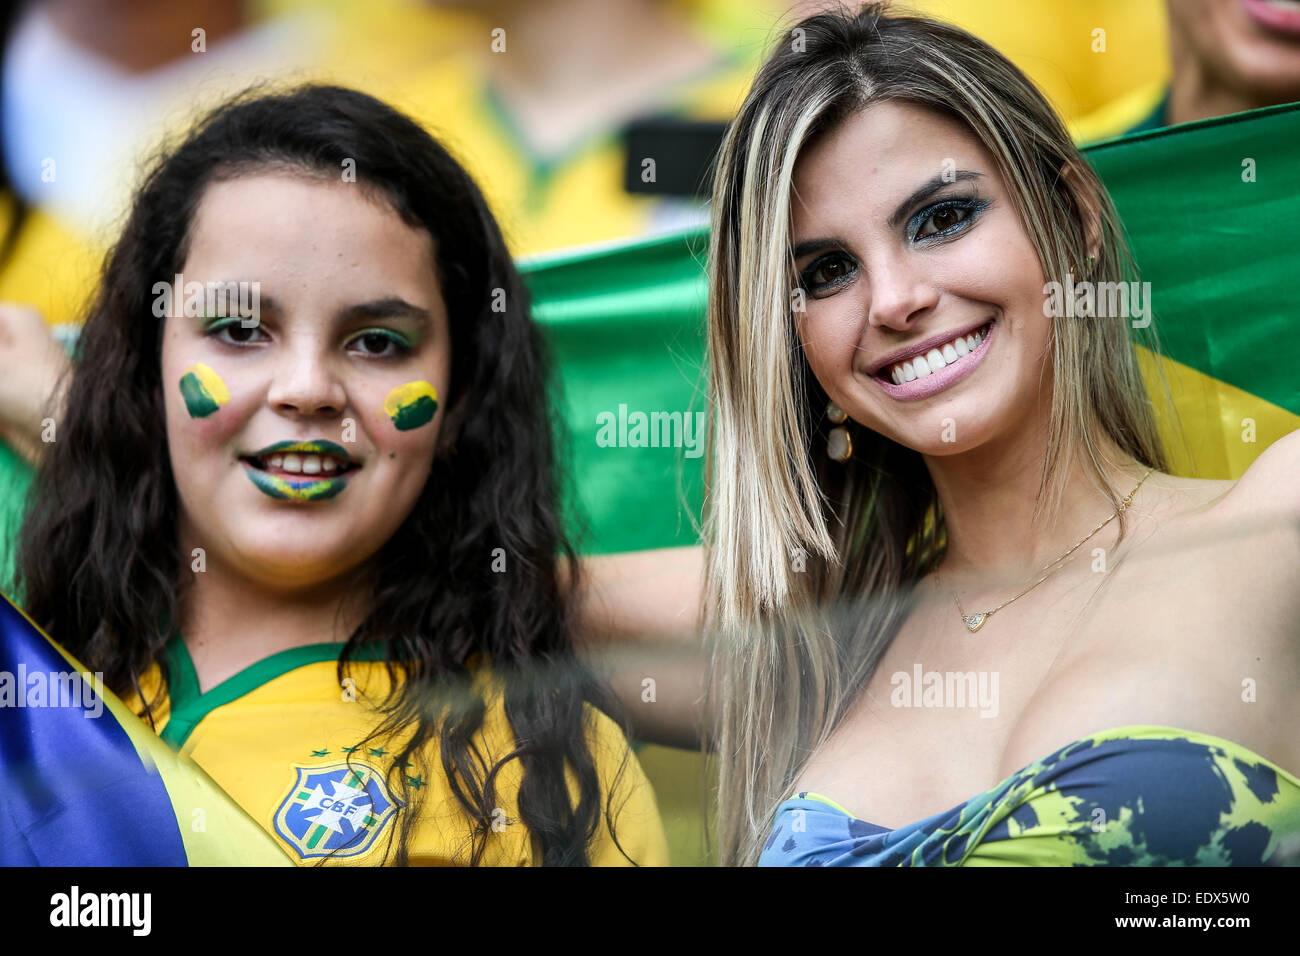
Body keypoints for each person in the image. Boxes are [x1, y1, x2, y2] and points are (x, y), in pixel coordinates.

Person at [587, 2, 1300, 866]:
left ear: (1070, 216)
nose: (893, 300)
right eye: (828, 271)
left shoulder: (1274, 526)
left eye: (942, 219)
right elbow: (479, 592)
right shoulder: (811, 643)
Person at [12, 84, 668, 866]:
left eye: (378, 343)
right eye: (239, 329)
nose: (307, 389)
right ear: (145, 365)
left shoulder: (536, 765)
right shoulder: (28, 673)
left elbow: (846, 624)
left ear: (460, 397)